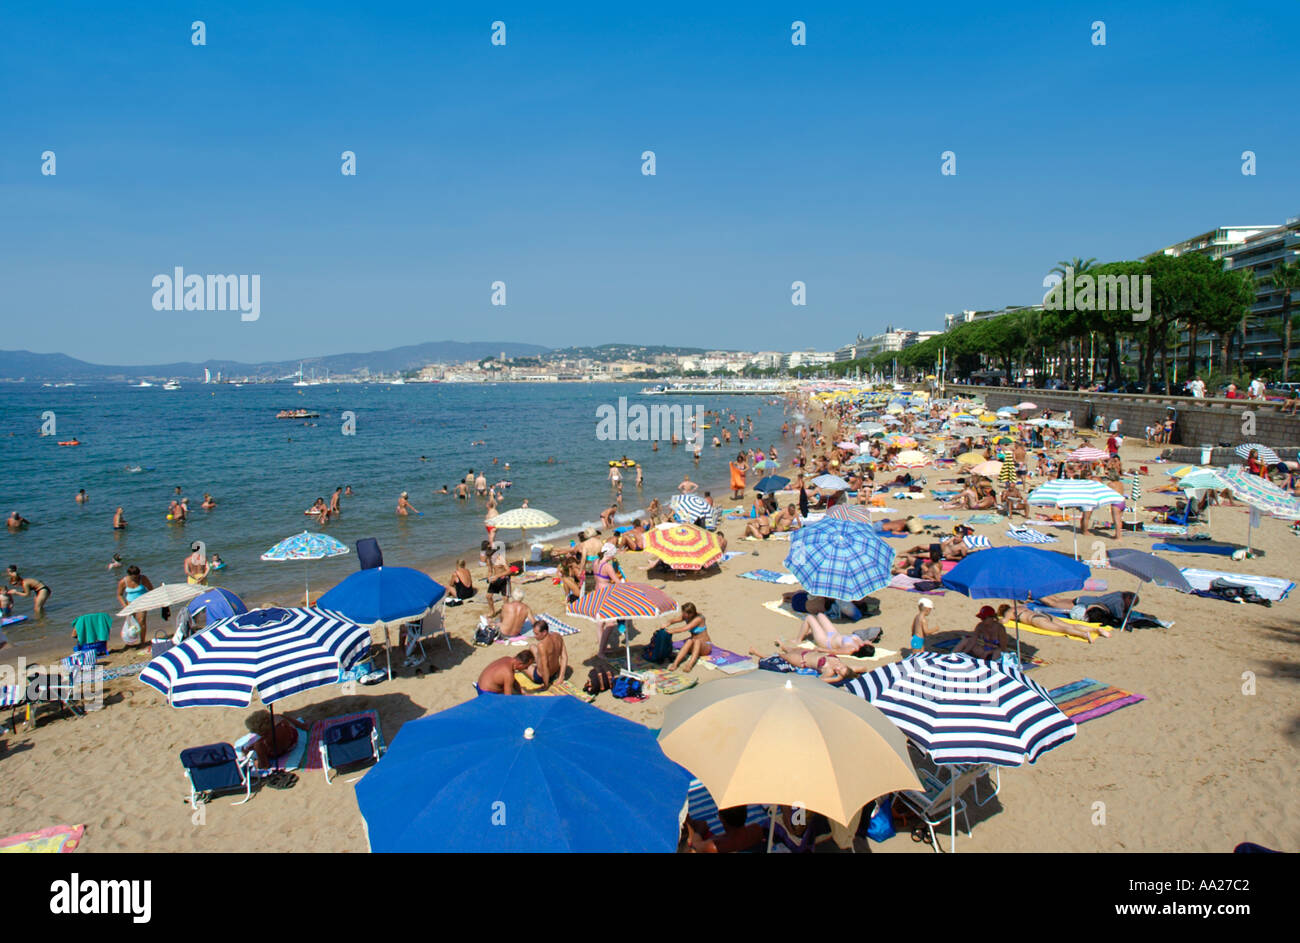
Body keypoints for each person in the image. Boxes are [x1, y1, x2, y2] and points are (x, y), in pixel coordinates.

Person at [997, 603, 1107, 642]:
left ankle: (1084, 635)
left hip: (1036, 620)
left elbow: (1005, 620)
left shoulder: (1009, 612)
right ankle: (1095, 630)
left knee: (1062, 629)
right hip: (1044, 614)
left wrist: (998, 620)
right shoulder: (1020, 606)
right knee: (1069, 625)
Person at [681, 805, 765, 853]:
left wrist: (699, 831)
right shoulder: (756, 829)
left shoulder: (714, 846)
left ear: (721, 818)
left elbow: (694, 846)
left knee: (691, 827)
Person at [243, 710, 311, 769]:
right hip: (293, 738)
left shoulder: (261, 744)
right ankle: (302, 726)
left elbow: (265, 765)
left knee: (257, 750)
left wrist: (251, 757)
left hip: (282, 751)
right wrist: (301, 725)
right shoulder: (280, 721)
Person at [662, 602, 712, 671]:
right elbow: (674, 620)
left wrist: (671, 631)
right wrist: (667, 623)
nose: (682, 614)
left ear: (690, 614)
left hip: (705, 646)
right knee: (689, 641)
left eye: (684, 613)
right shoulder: (687, 617)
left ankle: (689, 665)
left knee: (697, 641)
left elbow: (684, 628)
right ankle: (675, 664)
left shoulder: (699, 619)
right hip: (693, 643)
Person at [527, 619, 568, 689]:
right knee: (532, 647)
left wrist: (546, 685)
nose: (535, 636)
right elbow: (564, 657)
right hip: (555, 672)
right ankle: (535, 663)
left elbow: (545, 667)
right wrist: (560, 677)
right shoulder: (558, 636)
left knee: (524, 667)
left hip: (541, 676)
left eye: (537, 634)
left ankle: (532, 666)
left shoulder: (542, 645)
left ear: (544, 632)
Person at [114, 564, 151, 640]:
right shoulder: (123, 582)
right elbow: (119, 595)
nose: (136, 578)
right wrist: (125, 605)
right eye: (134, 577)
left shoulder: (143, 578)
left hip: (143, 602)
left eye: (138, 576)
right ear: (129, 575)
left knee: (141, 621)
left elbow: (151, 589)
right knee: (131, 623)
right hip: (130, 603)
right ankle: (132, 640)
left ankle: (142, 641)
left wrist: (151, 600)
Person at [485, 547, 510, 617]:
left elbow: (509, 571)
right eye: (489, 557)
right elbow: (490, 571)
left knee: (505, 599)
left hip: (504, 579)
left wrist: (498, 576)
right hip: (495, 579)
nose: (490, 558)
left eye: (491, 556)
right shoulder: (489, 560)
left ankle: (507, 613)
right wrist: (489, 577)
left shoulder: (501, 559)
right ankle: (492, 611)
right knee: (488, 596)